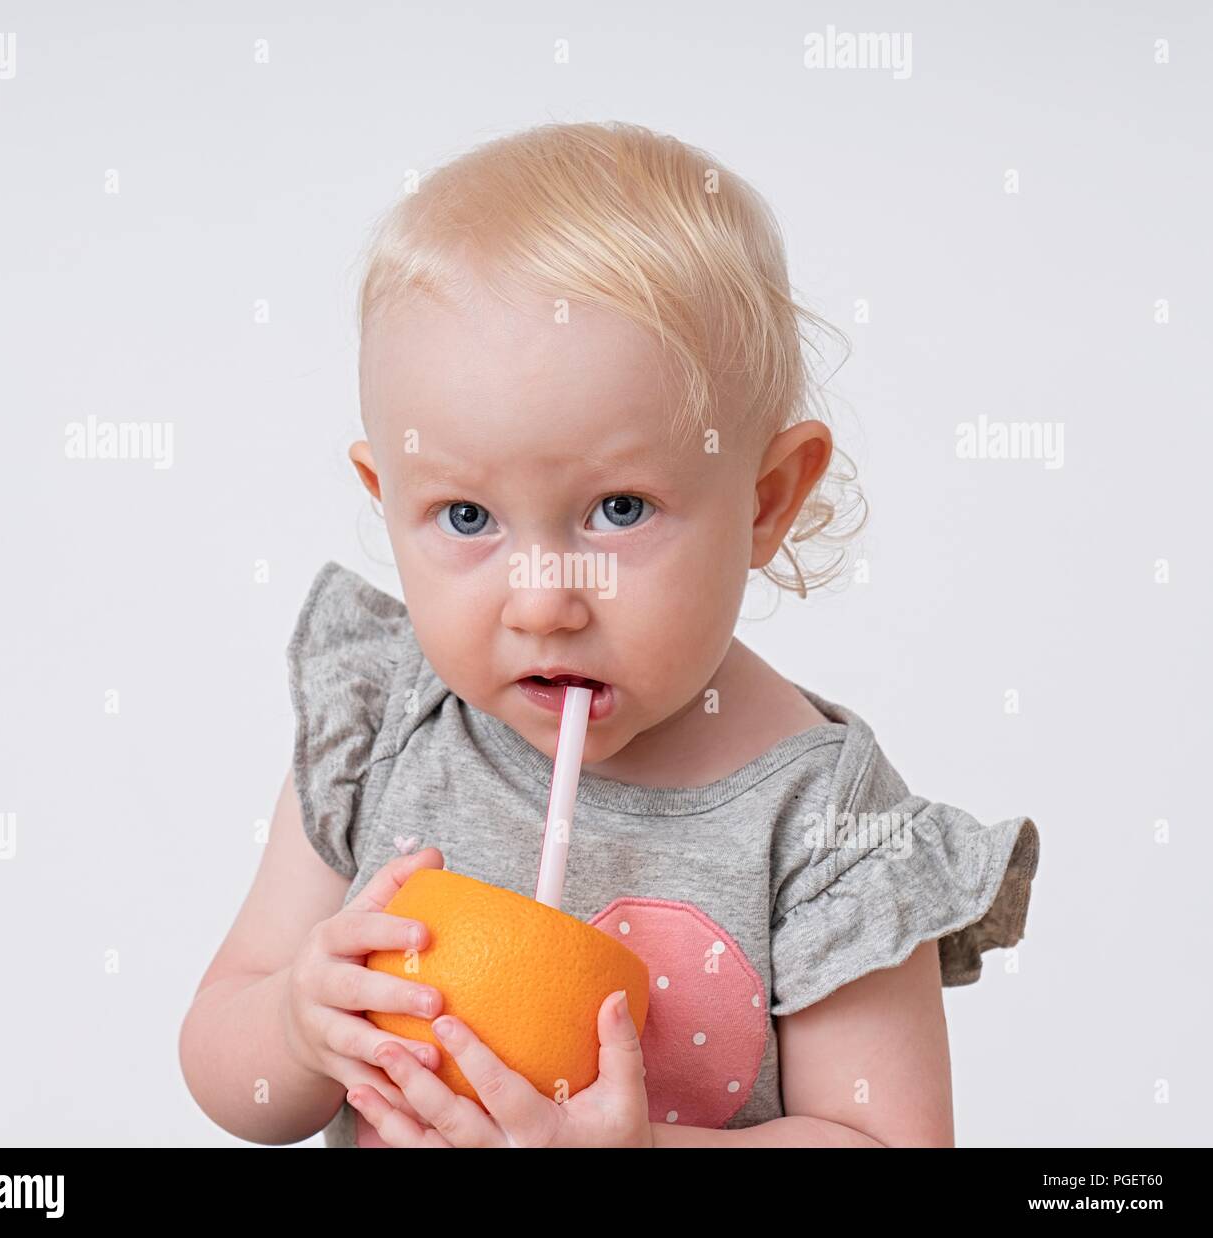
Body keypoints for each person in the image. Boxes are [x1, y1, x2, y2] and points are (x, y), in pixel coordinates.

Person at [179, 120, 1039, 1148]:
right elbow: (238, 1089)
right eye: (466, 517)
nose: (542, 600)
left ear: (765, 499)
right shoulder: (384, 727)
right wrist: (294, 1023)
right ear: (385, 493)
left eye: (619, 509)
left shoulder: (821, 819)